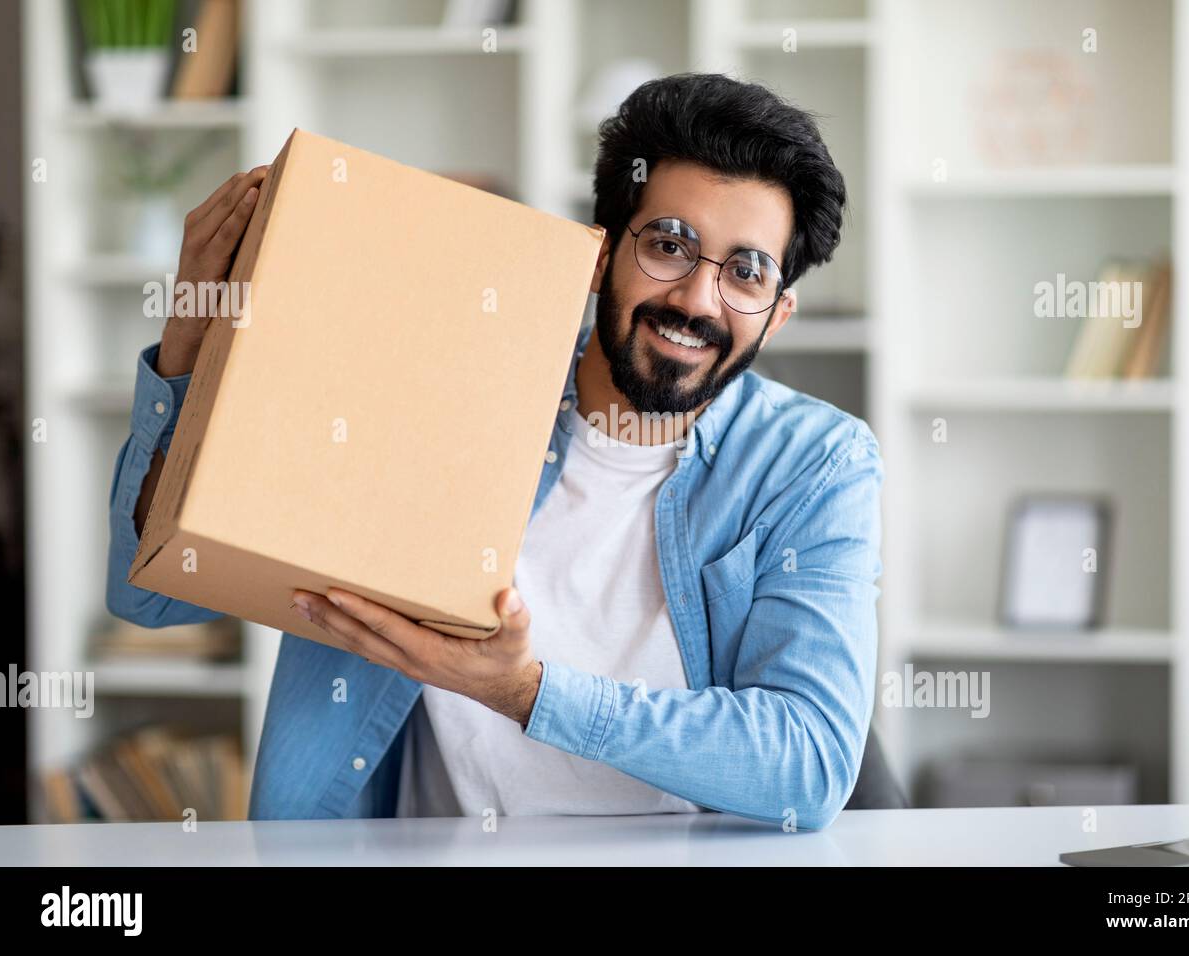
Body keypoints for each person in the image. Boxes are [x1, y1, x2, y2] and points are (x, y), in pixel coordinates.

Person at [107, 73, 883, 830]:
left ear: (777, 314)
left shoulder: (817, 464)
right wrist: (188, 342)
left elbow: (807, 765)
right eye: (670, 245)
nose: (696, 299)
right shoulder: (441, 384)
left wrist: (525, 692)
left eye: (746, 271)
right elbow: (153, 592)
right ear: (601, 253)